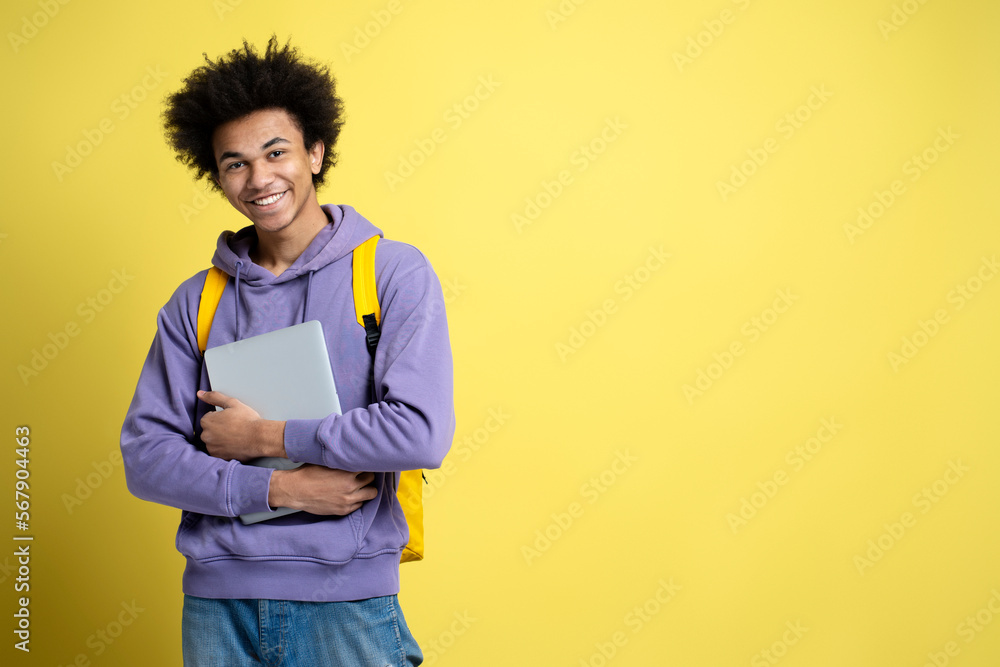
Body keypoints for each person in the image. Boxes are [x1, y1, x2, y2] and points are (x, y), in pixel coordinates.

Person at [120, 36, 454, 666]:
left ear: (316, 152)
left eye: (277, 152)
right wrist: (281, 490)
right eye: (235, 163)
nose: (260, 178)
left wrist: (265, 435)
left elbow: (420, 433)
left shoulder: (390, 275)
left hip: (347, 605)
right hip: (218, 609)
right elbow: (147, 458)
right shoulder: (197, 302)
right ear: (216, 175)